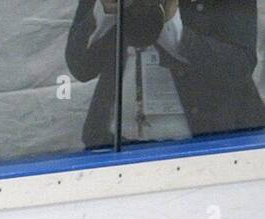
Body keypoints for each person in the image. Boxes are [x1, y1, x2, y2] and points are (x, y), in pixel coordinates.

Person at [66, 0, 265, 148]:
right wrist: (105, 12)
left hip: (210, 139)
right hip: (117, 143)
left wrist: (173, 30)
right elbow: (80, 67)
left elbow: (240, 67)